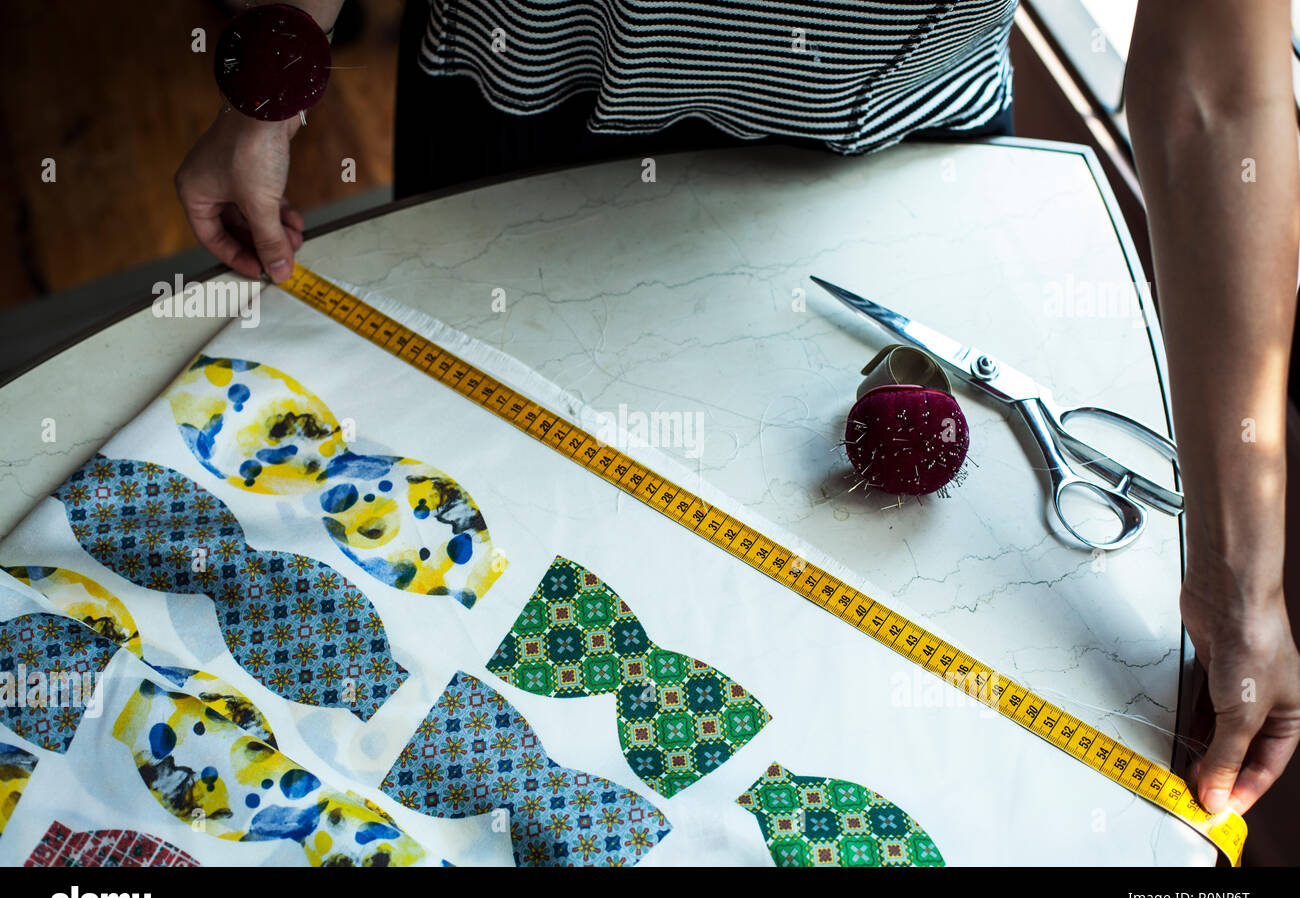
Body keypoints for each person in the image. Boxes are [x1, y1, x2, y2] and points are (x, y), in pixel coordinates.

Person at [175, 0, 1300, 822]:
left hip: (896, 171)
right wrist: (275, 60)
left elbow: (1216, 97)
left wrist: (1241, 577)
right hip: (518, 112)